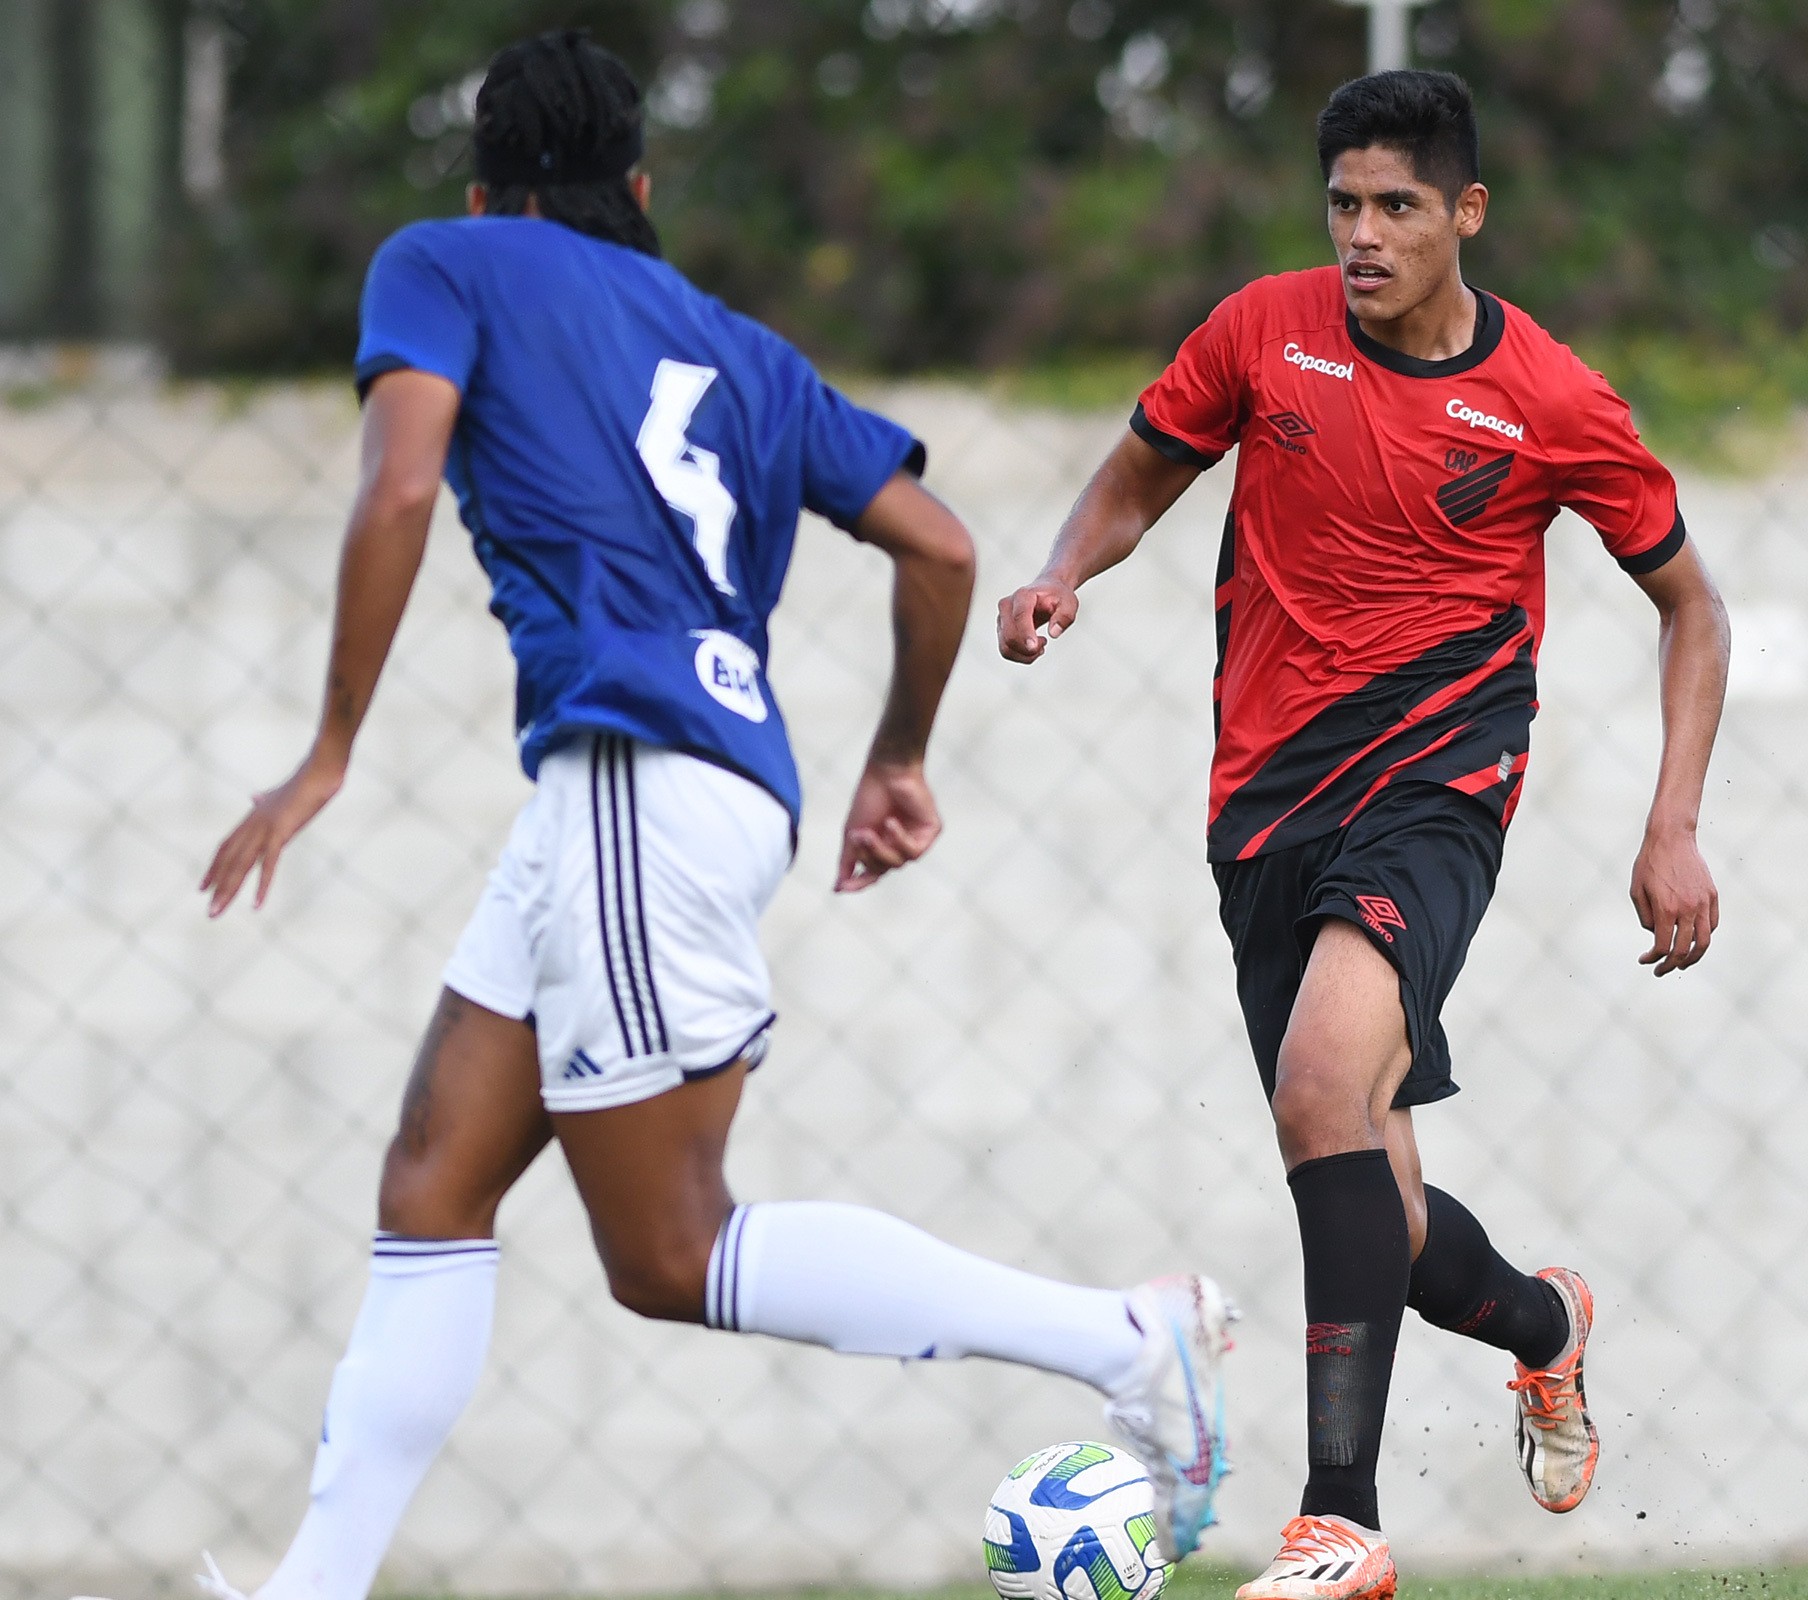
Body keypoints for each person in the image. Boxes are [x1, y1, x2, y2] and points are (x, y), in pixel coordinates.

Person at [193, 32, 1231, 1600]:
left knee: (671, 1254)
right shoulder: (736, 347)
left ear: (488, 194)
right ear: (642, 190)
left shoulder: (447, 261)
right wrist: (901, 756)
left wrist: (330, 748)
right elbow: (943, 549)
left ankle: (1123, 1340)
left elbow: (399, 488)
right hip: (676, 788)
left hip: (635, 778)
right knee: (433, 1180)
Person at [997, 69, 1730, 1600]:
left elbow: (1690, 604)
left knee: (1322, 1082)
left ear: (1466, 212)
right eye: (1344, 205)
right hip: (1264, 806)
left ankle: (1339, 1519)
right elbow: (1138, 476)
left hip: (1438, 792)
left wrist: (1674, 824)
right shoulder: (1258, 333)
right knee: (1373, 1207)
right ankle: (1544, 1326)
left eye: (1399, 206)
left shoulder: (1546, 397)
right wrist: (1068, 571)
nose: (1365, 235)